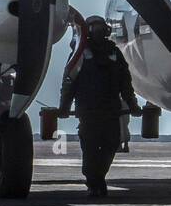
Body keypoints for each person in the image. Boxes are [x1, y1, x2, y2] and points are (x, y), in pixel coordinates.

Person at [58, 15, 141, 196]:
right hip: (89, 112)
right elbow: (69, 81)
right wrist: (64, 106)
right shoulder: (80, 54)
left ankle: (98, 177)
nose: (99, 31)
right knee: (90, 147)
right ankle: (93, 181)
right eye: (96, 28)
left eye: (101, 28)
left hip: (110, 110)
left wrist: (132, 104)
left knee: (111, 144)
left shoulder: (114, 53)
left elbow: (125, 82)